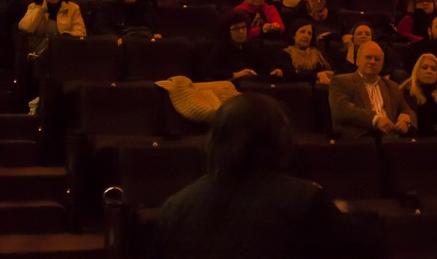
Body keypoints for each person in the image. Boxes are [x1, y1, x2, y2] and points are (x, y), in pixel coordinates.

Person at [151, 93, 376, 259]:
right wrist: (336, 216)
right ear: (279, 140)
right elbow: (366, 249)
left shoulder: (176, 206)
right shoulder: (304, 200)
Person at [328, 40, 416, 138]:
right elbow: (341, 110)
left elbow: (408, 111)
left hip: (390, 138)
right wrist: (375, 120)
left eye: (377, 59)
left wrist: (406, 121)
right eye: (368, 57)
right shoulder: (341, 81)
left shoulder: (392, 86)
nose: (372, 61)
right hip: (359, 139)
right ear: (357, 61)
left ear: (382, 64)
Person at [207, 9, 278, 81]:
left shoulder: (252, 47)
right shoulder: (220, 49)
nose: (241, 31)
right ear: (227, 31)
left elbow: (264, 66)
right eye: (236, 28)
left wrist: (273, 71)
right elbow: (211, 73)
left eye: (244, 27)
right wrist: (236, 74)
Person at [18, 0, 86, 43]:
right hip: (41, 48)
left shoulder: (73, 8)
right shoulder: (34, 7)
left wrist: (63, 37)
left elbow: (80, 33)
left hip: (65, 46)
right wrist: (41, 11)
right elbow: (25, 28)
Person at [93, 0, 160, 39]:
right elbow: (101, 28)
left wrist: (157, 34)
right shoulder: (108, 7)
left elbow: (156, 26)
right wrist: (116, 38)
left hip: (144, 41)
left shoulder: (144, 6)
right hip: (119, 42)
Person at [274, 19, 334, 84]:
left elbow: (331, 71)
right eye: (302, 32)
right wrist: (317, 75)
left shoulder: (319, 54)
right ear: (293, 35)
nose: (306, 36)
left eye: (309, 33)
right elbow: (290, 75)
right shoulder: (284, 53)